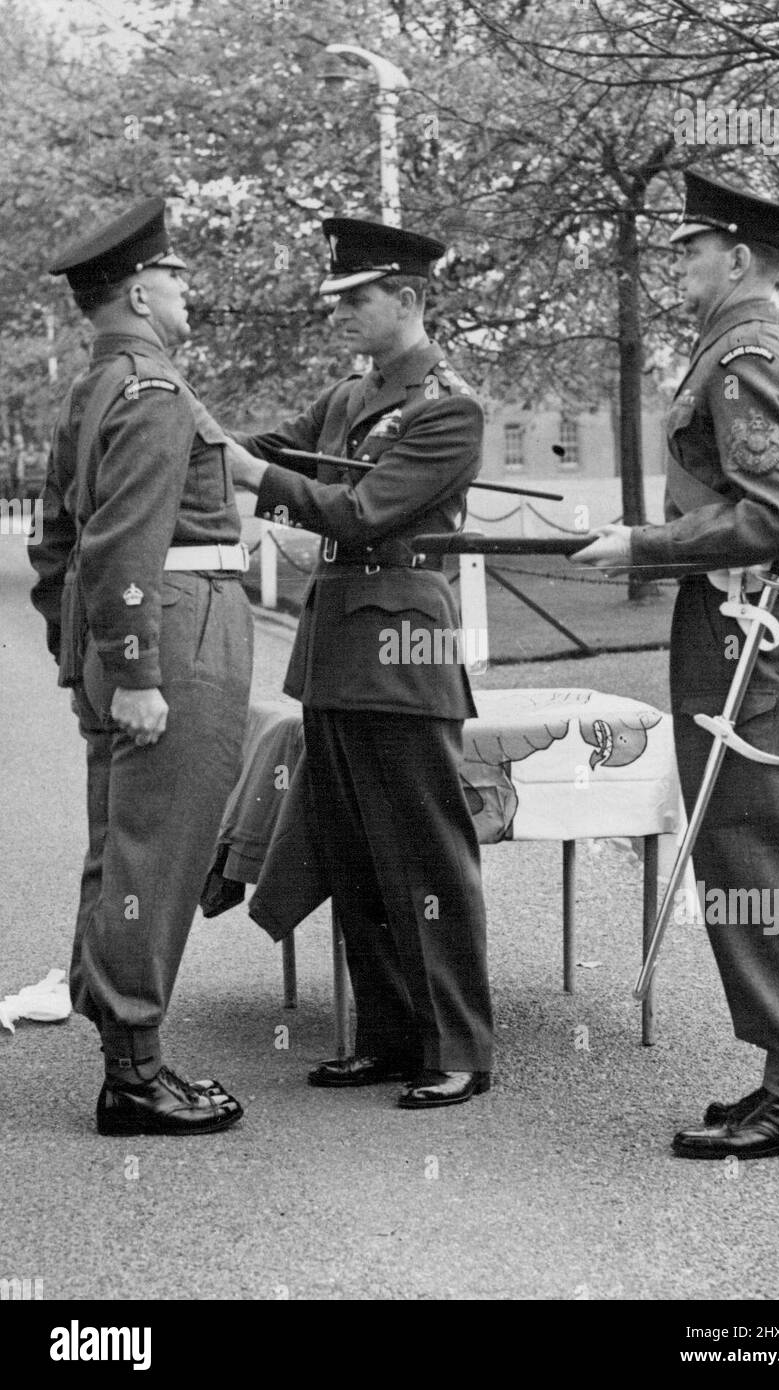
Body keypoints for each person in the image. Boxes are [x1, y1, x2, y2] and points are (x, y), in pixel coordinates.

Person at [577, 171, 779, 1160]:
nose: (679, 262)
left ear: (736, 256)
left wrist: (647, 545)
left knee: (754, 852)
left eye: (691, 247)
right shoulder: (744, 348)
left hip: (752, 635)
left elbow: (775, 513)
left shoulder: (741, 354)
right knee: (751, 847)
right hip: (747, 622)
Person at [229, 217, 494, 1109]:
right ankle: (386, 1036)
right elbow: (276, 449)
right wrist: (189, 431)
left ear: (408, 300)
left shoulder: (448, 406)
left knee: (427, 858)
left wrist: (252, 477)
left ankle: (457, 1045)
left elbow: (360, 512)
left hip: (404, 653)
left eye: (357, 298)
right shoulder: (353, 393)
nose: (342, 312)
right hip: (338, 652)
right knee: (355, 856)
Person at [29, 197, 253, 1136]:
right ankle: (135, 1072)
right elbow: (120, 542)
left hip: (127, 635)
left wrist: (81, 654)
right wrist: (137, 674)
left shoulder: (93, 389)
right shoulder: (153, 390)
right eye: (174, 273)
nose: (184, 286)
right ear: (136, 289)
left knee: (120, 844)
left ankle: (125, 1048)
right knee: (156, 854)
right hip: (174, 631)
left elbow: (55, 549)